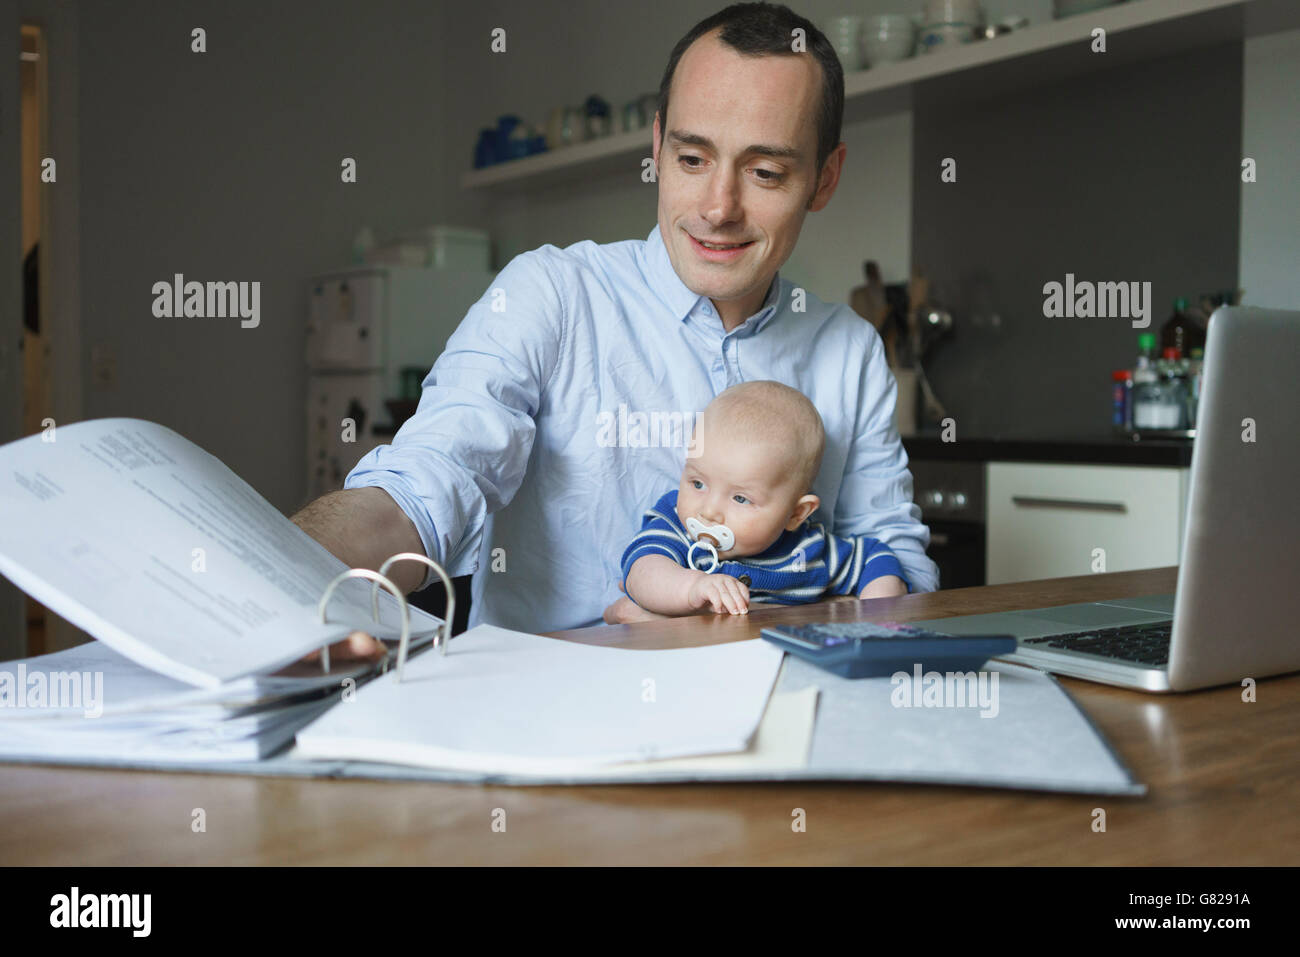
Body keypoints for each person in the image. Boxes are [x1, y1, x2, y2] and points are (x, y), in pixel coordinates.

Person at [291, 2, 939, 663]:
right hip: (551, 713)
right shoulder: (552, 294)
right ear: (656, 146)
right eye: (691, 158)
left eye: (765, 172)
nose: (719, 207)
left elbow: (890, 556)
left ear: (824, 178)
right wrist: (272, 578)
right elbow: (424, 487)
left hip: (779, 700)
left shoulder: (851, 351)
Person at [621, 381, 909, 617]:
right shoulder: (675, 525)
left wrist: (875, 617)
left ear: (797, 514)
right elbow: (641, 573)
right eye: (697, 483)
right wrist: (692, 587)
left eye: (741, 499)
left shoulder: (809, 551)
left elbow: (878, 559)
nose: (708, 511)